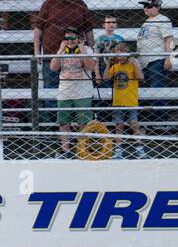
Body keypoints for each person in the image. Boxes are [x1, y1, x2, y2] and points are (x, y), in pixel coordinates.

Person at [50, 26, 100, 158]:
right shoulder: (62, 51)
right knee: (64, 122)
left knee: (83, 122)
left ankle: (81, 149)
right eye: (66, 38)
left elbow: (91, 66)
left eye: (72, 38)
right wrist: (60, 50)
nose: (69, 41)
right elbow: (53, 68)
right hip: (65, 91)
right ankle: (65, 151)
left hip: (82, 92)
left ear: (79, 39)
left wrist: (82, 50)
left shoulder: (87, 50)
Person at [105, 41, 145, 159]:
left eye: (123, 54)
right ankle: (118, 151)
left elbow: (140, 77)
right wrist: (108, 62)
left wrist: (135, 64)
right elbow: (105, 77)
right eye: (118, 55)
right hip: (118, 102)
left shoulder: (132, 65)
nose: (121, 57)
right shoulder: (115, 67)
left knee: (134, 125)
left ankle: (140, 149)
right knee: (119, 126)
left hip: (131, 101)